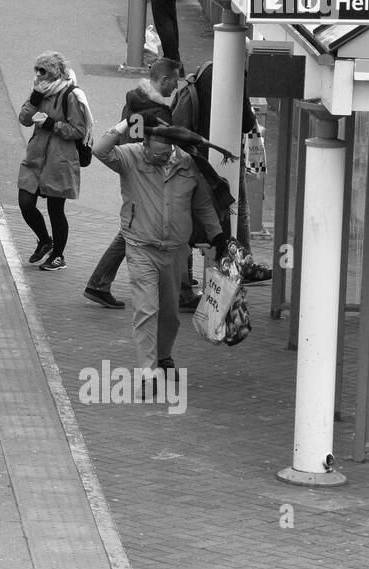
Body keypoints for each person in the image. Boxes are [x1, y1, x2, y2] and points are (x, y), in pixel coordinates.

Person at [93, 119, 226, 385]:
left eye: (164, 155)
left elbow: (201, 205)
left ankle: (163, 356)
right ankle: (147, 372)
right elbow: (99, 150)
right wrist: (123, 125)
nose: (158, 159)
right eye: (154, 154)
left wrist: (218, 235)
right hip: (141, 246)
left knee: (169, 312)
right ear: (144, 144)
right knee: (146, 309)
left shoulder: (188, 163)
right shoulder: (131, 156)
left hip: (176, 250)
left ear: (173, 149)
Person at [84, 58, 181, 309]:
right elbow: (143, 144)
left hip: (131, 166)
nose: (177, 87)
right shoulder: (154, 109)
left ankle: (99, 283)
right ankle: (99, 283)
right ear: (163, 80)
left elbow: (126, 136)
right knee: (133, 229)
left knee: (133, 226)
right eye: (175, 80)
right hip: (146, 173)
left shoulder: (134, 100)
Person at [172, 56, 274, 286]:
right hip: (225, 153)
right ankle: (241, 263)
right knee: (236, 207)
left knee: (190, 208)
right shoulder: (237, 74)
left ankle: (185, 275)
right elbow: (247, 122)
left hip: (198, 150)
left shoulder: (206, 68)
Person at [18, 51, 90, 272]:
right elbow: (24, 119)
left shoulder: (70, 94)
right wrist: (34, 101)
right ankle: (44, 240)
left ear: (56, 71)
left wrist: (51, 124)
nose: (39, 75)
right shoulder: (38, 91)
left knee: (55, 210)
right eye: (37, 70)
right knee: (25, 202)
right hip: (36, 157)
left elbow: (79, 130)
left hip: (60, 159)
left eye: (44, 71)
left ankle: (58, 255)